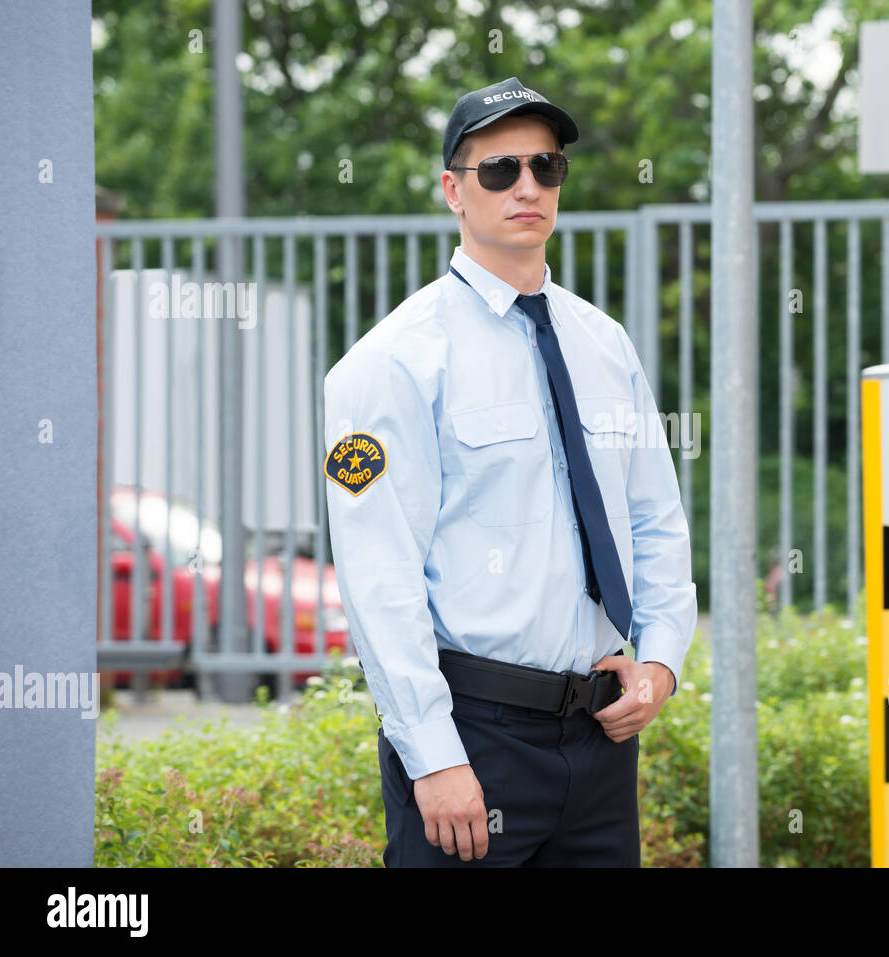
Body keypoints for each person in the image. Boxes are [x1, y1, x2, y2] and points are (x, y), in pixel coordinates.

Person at [323, 76, 697, 868]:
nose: (528, 186)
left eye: (546, 167)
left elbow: (654, 518)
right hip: (474, 740)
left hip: (599, 743)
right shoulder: (391, 362)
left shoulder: (605, 343)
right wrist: (434, 755)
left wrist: (661, 660)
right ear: (454, 191)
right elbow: (378, 577)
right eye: (500, 170)